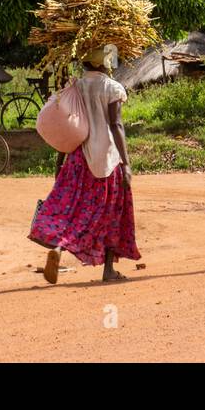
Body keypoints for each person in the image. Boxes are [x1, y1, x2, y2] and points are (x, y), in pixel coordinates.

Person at [29, 46, 140, 284]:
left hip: (78, 158)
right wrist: (127, 164)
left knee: (75, 209)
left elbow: (67, 124)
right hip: (106, 161)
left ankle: (58, 247)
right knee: (111, 214)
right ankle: (108, 270)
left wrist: (60, 159)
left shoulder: (75, 86)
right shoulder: (112, 88)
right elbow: (116, 125)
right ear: (104, 63)